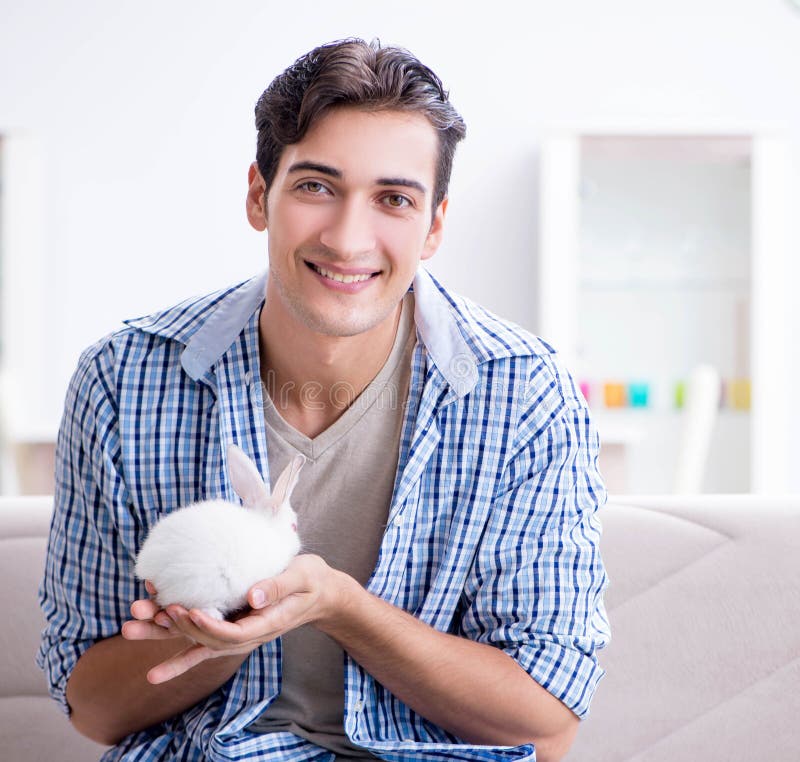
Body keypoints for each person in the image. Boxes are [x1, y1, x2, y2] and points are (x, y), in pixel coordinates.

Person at [37, 38, 610, 762]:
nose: (347, 238)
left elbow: (548, 725)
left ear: (433, 225)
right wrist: (225, 630)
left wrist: (341, 607)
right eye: (315, 186)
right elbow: (91, 708)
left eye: (394, 199)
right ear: (258, 195)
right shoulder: (125, 380)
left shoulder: (525, 394)